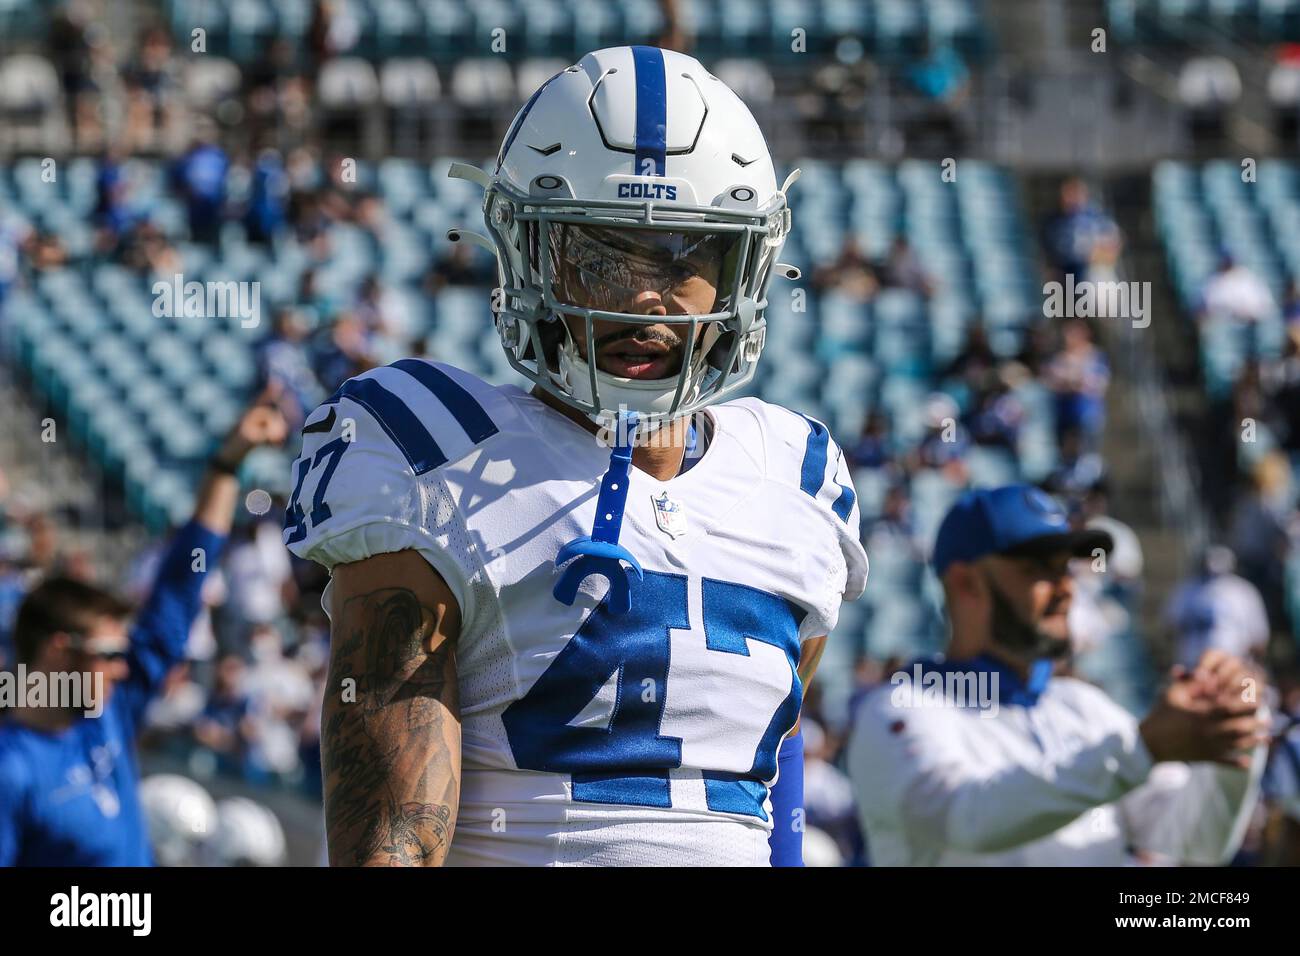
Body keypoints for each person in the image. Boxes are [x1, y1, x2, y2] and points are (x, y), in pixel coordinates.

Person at [285, 46, 867, 867]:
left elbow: (768, 764)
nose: (645, 297)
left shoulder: (798, 475)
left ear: (745, 266)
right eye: (599, 253)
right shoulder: (438, 454)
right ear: (529, 251)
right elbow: (391, 842)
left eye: (685, 255)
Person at [846, 484, 1268, 866]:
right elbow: (968, 817)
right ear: (966, 583)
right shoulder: (898, 710)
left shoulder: (1084, 707)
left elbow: (1197, 840)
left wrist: (1238, 738)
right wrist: (1141, 750)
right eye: (1037, 569)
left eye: (1065, 568)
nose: (1066, 589)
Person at [0, 402, 287, 865]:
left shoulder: (104, 715)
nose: (121, 665)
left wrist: (226, 464)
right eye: (109, 652)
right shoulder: (11, 769)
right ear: (58, 650)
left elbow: (175, 600)